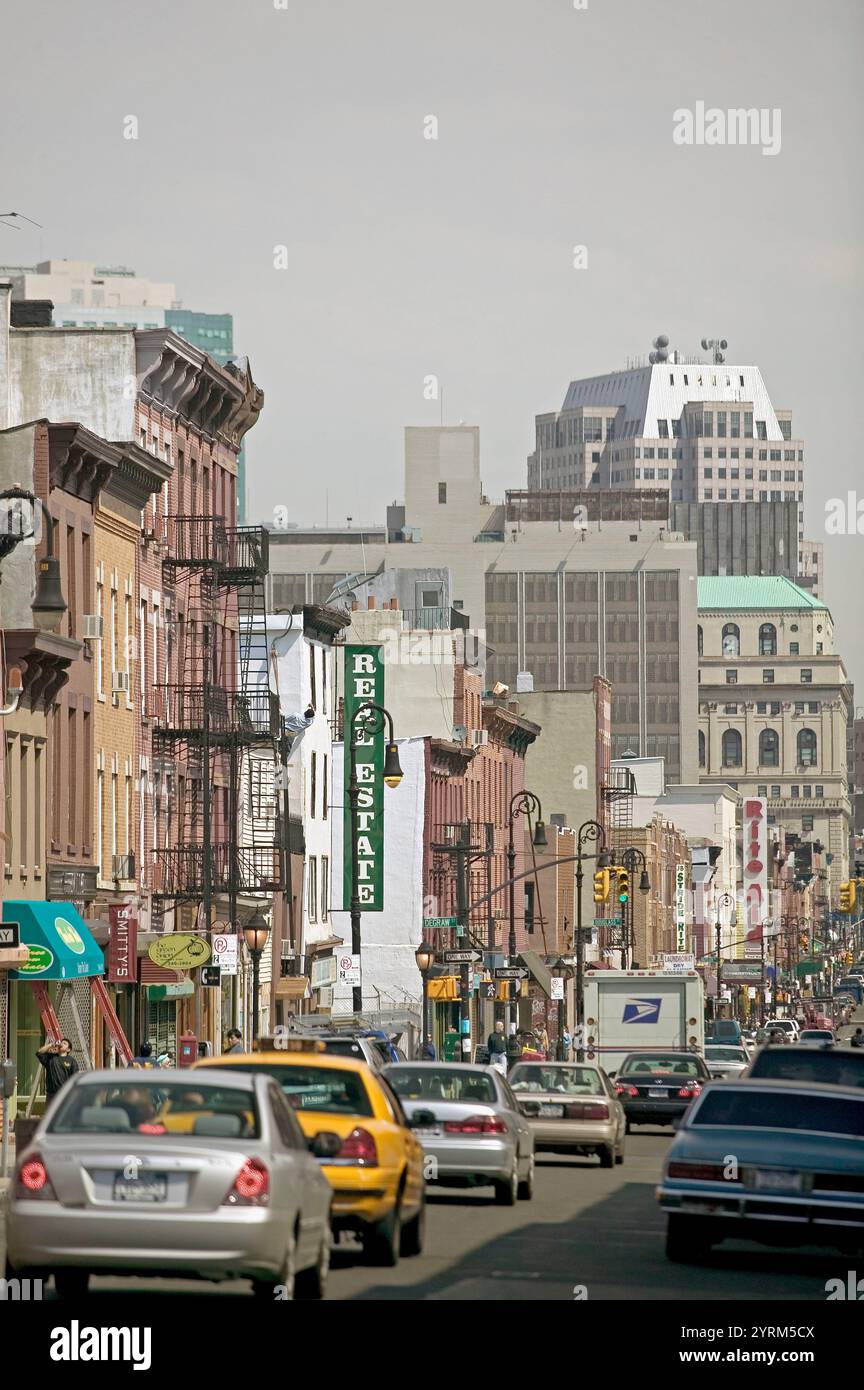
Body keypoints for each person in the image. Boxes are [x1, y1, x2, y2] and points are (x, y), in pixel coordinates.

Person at [36, 1036, 78, 1101]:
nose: (61, 1044)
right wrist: (51, 1044)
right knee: (50, 1111)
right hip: (51, 1094)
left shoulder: (72, 1061)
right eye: (61, 1042)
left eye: (64, 1043)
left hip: (65, 1094)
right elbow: (39, 1053)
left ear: (68, 1049)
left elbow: (74, 1078)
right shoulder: (51, 1057)